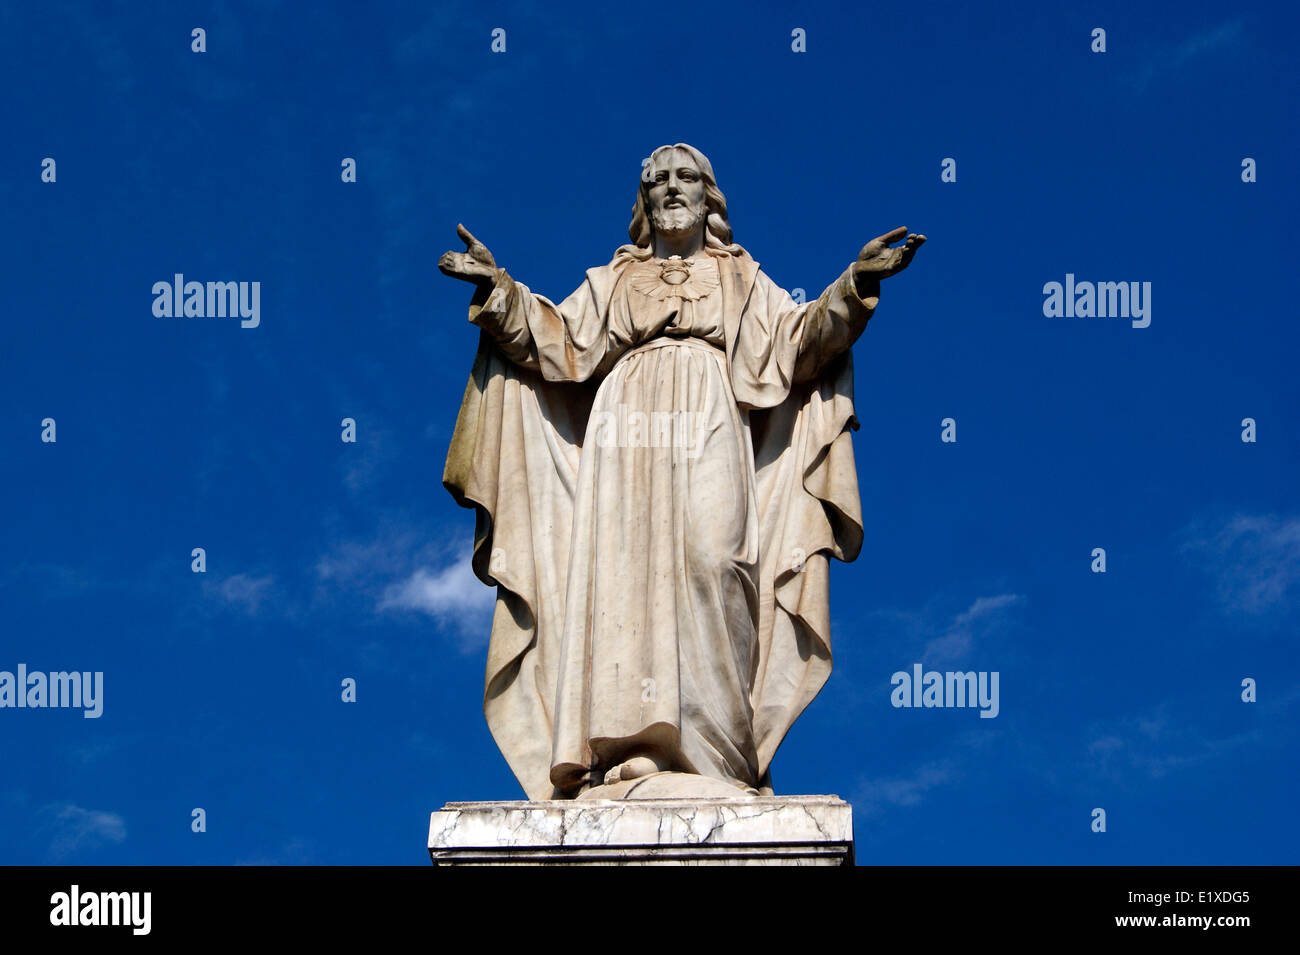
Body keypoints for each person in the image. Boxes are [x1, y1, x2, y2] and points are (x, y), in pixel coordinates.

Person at [440, 143, 924, 799]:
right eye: (658, 179)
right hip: (624, 422)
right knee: (625, 572)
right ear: (643, 201)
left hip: (710, 414)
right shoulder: (611, 281)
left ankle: (716, 749)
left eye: (686, 177)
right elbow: (551, 337)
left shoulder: (742, 279)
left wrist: (855, 285)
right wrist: (498, 292)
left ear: (708, 197)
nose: (671, 188)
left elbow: (800, 341)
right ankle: (630, 747)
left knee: (716, 560)